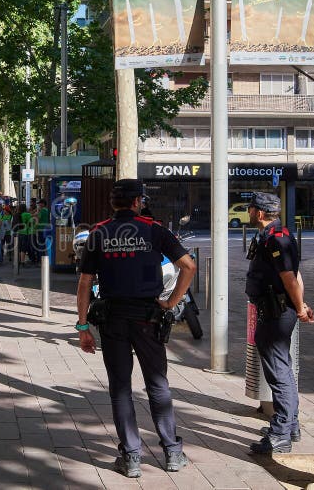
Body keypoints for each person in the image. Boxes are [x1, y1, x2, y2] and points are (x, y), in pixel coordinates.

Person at [76, 179, 196, 478]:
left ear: (113, 203)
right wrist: (170, 303)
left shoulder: (98, 233)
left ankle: (130, 458)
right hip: (148, 318)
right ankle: (172, 452)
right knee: (157, 384)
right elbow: (189, 266)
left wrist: (82, 326)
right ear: (137, 202)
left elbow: (84, 283)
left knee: (120, 388)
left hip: (113, 317)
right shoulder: (155, 230)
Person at [245, 192, 314, 454]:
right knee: (282, 368)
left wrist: (299, 308)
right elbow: (296, 274)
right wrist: (301, 304)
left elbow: (289, 278)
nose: (249, 213)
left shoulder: (277, 238)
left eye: (251, 209)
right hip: (276, 310)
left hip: (276, 313)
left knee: (279, 373)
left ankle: (280, 434)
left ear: (260, 213)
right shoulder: (272, 235)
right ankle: (290, 425)